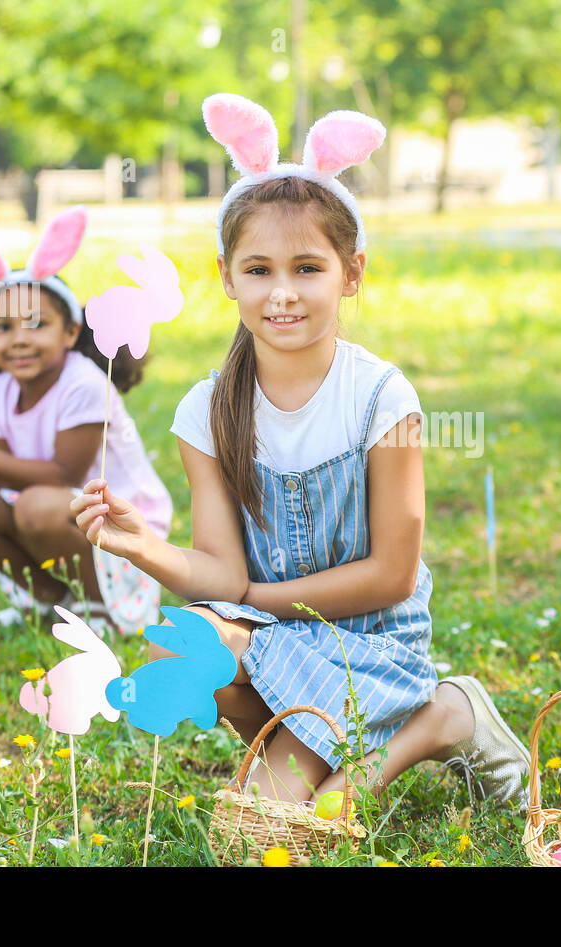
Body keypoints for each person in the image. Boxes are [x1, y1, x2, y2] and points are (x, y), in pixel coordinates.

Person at [69, 93, 529, 805]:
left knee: (275, 827)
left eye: (307, 269)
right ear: (226, 277)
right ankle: (331, 752)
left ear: (352, 273)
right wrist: (140, 548)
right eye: (258, 271)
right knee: (179, 641)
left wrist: (253, 607)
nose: (282, 294)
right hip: (269, 635)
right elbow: (218, 571)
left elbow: (392, 575)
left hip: (372, 646)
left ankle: (437, 716)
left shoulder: (383, 399)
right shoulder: (208, 411)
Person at [0, 206, 173, 635]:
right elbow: (7, 477)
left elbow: (63, 474)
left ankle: (106, 610)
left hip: (124, 535)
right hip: (60, 513)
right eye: (3, 327)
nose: (19, 338)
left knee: (36, 506)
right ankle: (53, 602)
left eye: (37, 324)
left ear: (70, 332)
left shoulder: (84, 384)